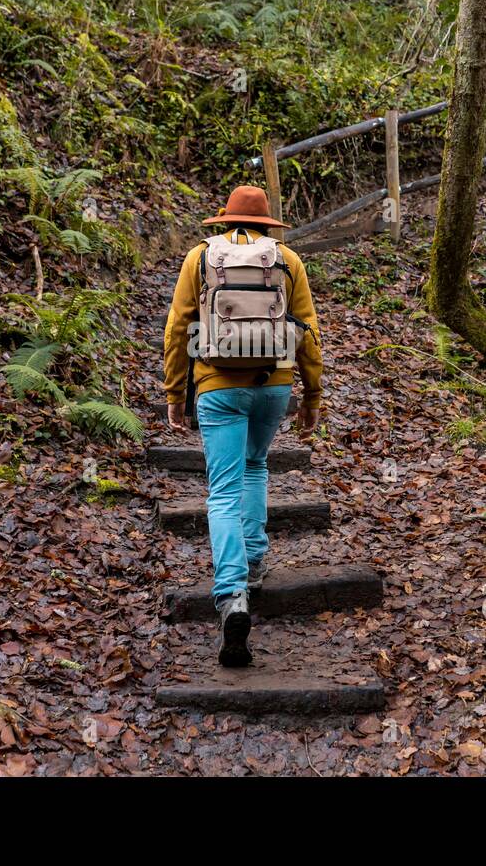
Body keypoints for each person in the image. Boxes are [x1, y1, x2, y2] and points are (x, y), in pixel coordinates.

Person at [163, 185, 323, 666]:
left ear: (225, 219)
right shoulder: (288, 261)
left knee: (223, 490)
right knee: (256, 466)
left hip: (217, 384)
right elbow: (307, 331)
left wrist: (176, 394)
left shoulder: (199, 258)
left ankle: (232, 594)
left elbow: (177, 328)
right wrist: (311, 395)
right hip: (273, 384)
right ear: (267, 224)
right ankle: (254, 561)